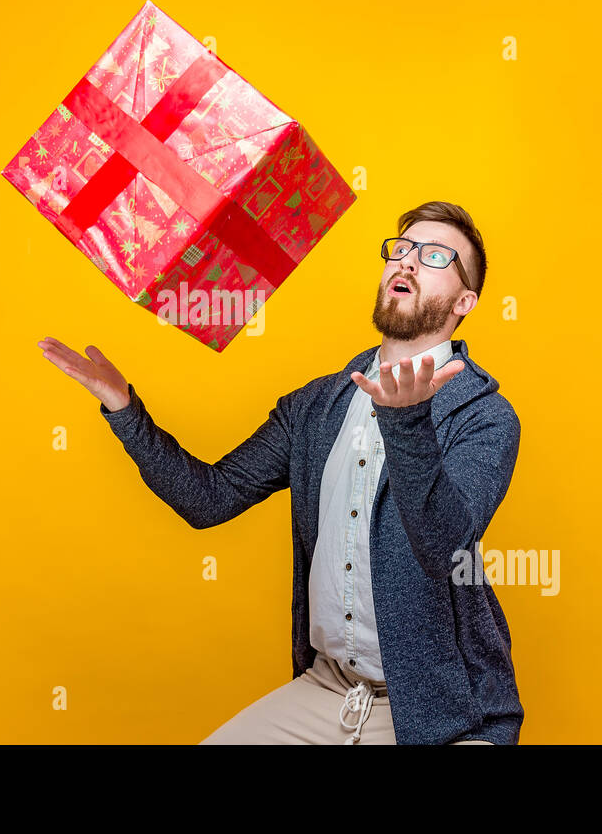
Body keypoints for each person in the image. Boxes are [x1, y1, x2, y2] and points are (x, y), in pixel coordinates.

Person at [37, 201, 523, 744]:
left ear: (465, 300)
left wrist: (407, 423)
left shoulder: (484, 416)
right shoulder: (315, 408)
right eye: (401, 249)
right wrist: (125, 410)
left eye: (435, 256)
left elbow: (442, 544)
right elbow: (209, 499)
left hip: (441, 706)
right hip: (328, 690)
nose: (407, 262)